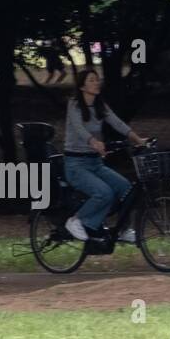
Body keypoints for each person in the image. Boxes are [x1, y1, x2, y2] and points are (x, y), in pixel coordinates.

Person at [63, 69, 148, 243]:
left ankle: (124, 230)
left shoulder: (100, 105)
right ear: (82, 86)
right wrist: (93, 142)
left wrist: (138, 139)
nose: (97, 83)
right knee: (104, 193)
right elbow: (79, 128)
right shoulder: (74, 104)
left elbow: (117, 122)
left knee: (126, 189)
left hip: (95, 163)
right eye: (92, 80)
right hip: (76, 165)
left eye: (97, 79)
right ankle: (76, 220)